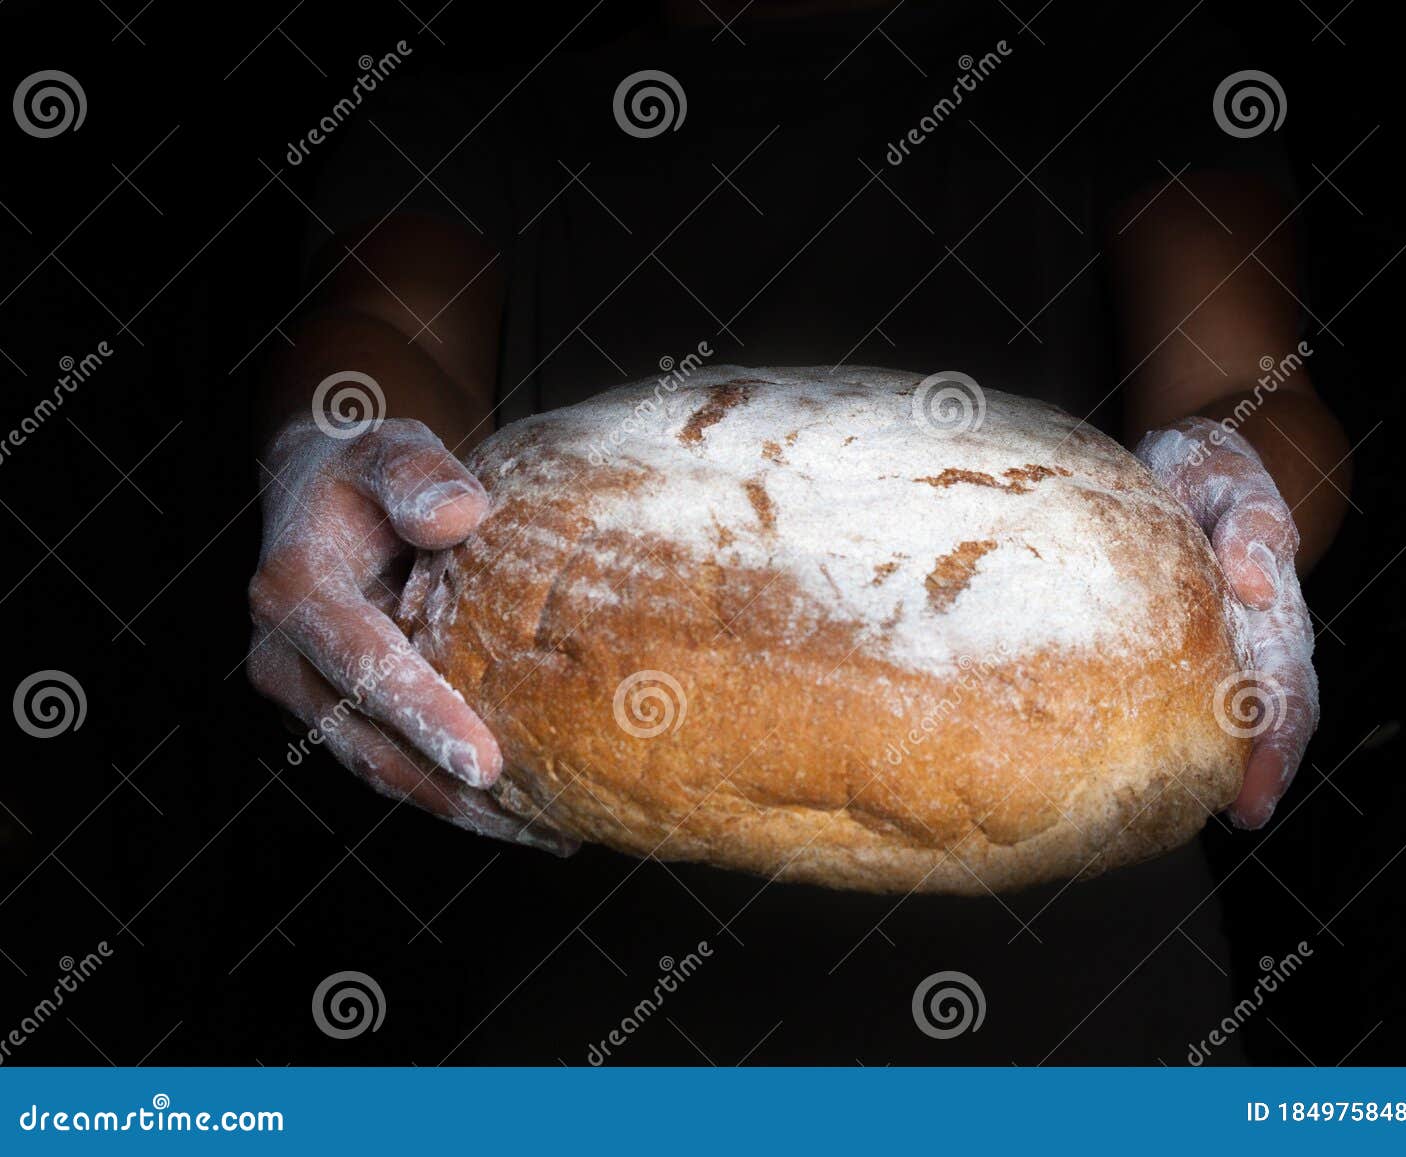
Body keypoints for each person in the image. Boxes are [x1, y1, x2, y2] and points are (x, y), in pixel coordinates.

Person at [245, 0, 1350, 1060]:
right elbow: (384, 324)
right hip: (574, 1010)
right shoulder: (472, 100)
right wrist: (336, 455)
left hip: (1087, 1018)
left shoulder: (1134, 59)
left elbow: (1246, 382)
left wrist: (1243, 495)